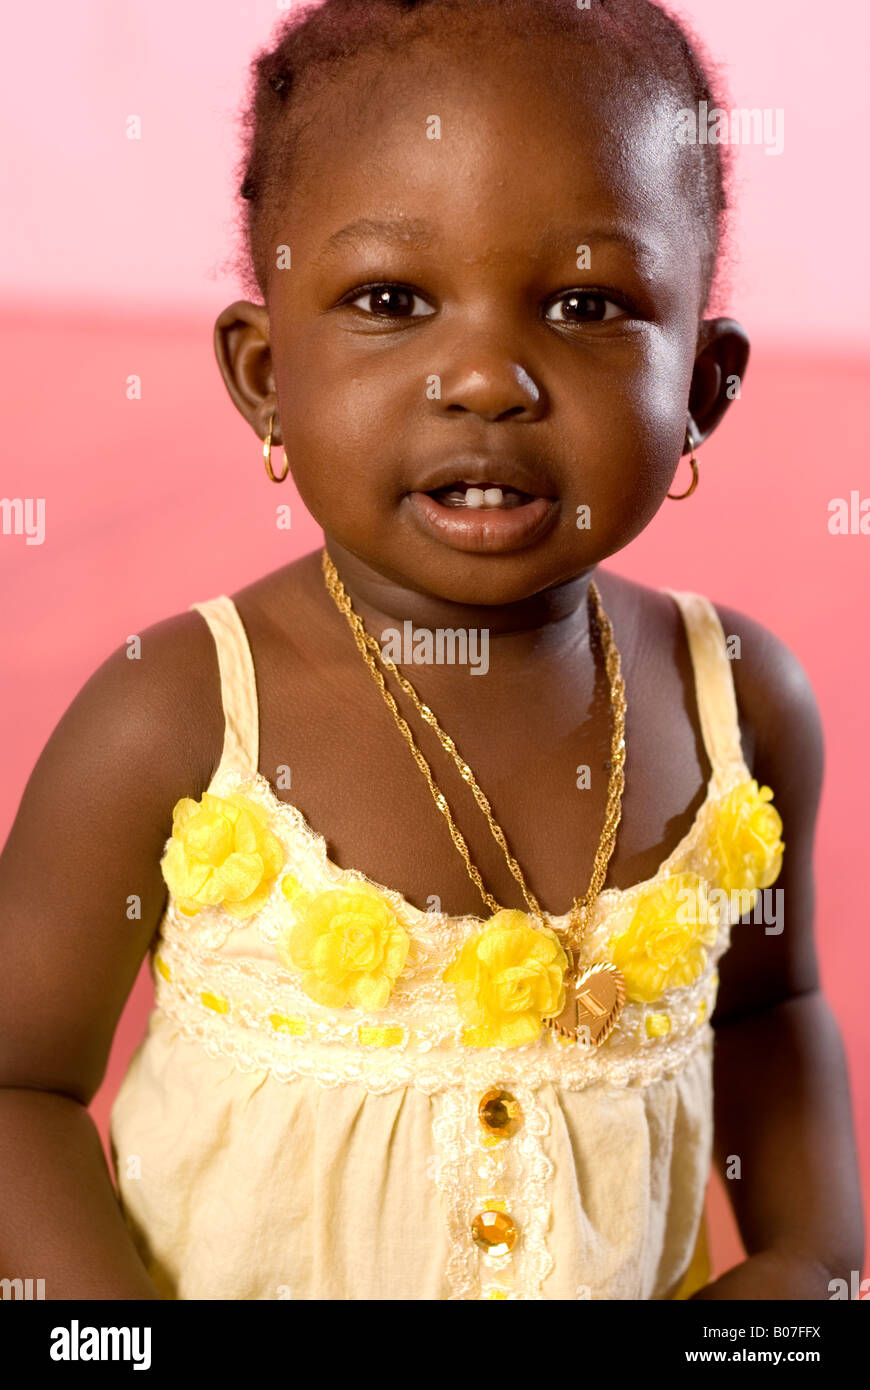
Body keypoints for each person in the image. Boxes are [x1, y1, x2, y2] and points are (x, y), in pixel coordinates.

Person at [0, 0, 862, 1300]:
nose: (483, 378)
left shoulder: (736, 700)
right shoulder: (173, 710)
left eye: (585, 301)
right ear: (264, 374)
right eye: (392, 299)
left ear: (701, 388)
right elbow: (17, 1082)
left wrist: (809, 1254)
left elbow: (764, 1008)